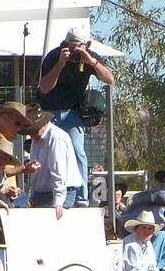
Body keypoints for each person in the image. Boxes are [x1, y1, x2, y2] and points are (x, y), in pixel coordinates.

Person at [38, 26, 114, 201]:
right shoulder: (53, 57)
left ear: (86, 45)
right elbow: (45, 87)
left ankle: (81, 197)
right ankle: (45, 193)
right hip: (50, 111)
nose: (74, 52)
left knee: (78, 151)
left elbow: (110, 79)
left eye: (78, 48)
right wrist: (60, 64)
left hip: (72, 112)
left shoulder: (90, 57)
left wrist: (91, 62)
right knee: (48, 151)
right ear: (65, 45)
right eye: (71, 47)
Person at [24, 103, 80, 218]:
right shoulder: (38, 137)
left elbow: (58, 171)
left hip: (59, 193)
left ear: (43, 125)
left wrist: (58, 201)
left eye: (33, 130)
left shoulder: (56, 138)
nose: (31, 134)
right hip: (45, 193)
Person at [0, 101, 41, 209]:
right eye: (17, 124)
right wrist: (23, 169)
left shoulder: (5, 140)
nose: (19, 129)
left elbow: (0, 172)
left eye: (21, 125)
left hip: (3, 197)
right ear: (4, 118)